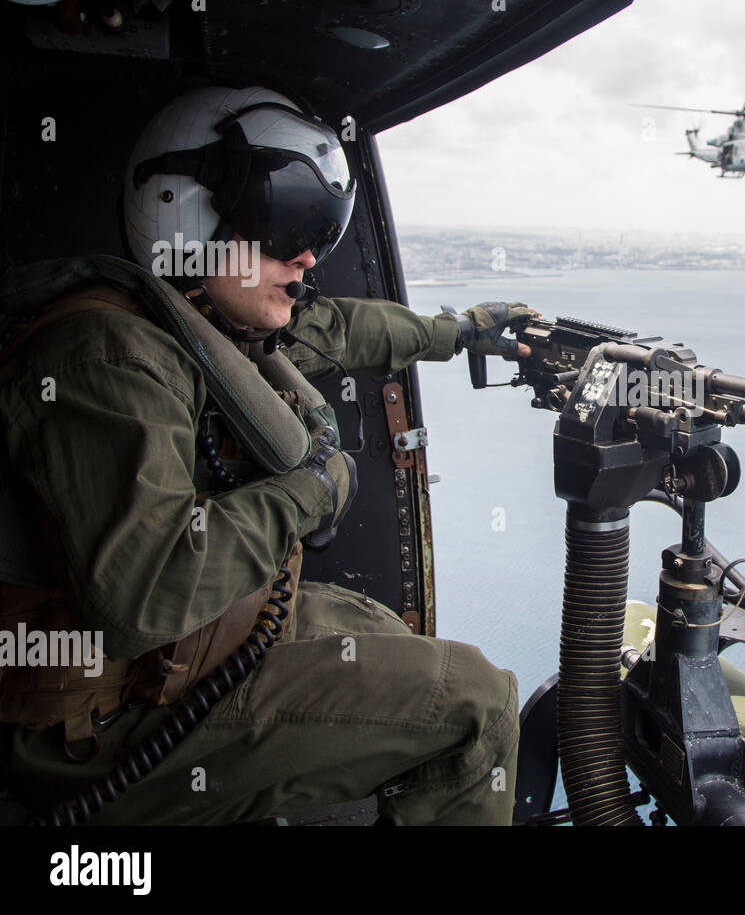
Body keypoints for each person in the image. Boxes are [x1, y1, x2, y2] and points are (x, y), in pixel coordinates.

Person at [0, 85, 531, 825]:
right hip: (93, 729)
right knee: (478, 703)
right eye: (283, 225)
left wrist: (462, 331)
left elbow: (339, 330)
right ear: (187, 212)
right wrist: (312, 489)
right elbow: (145, 596)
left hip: (178, 659)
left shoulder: (189, 327)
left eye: (317, 229)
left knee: (381, 631)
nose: (309, 254)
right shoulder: (107, 359)